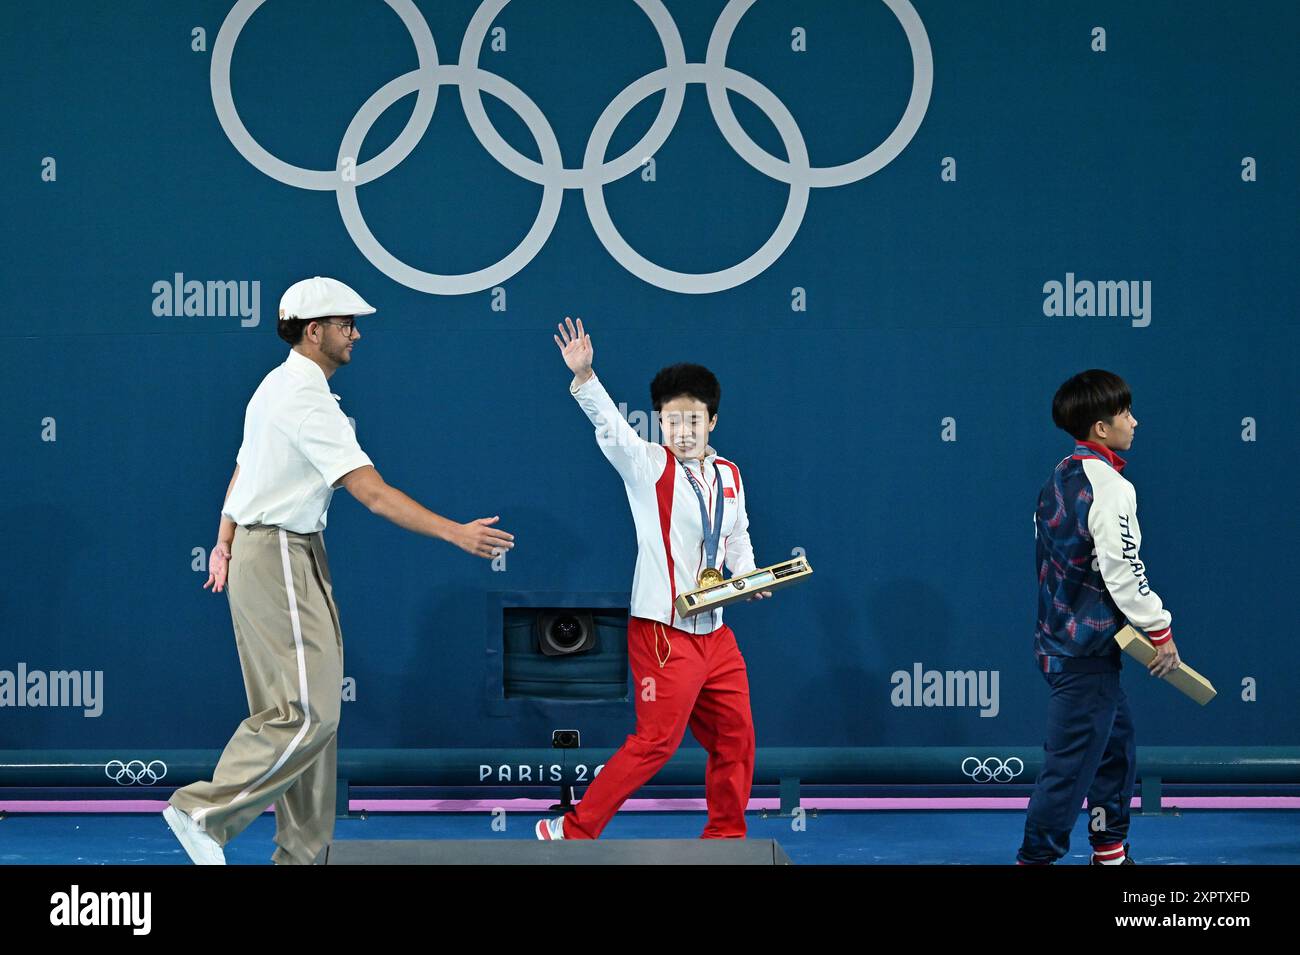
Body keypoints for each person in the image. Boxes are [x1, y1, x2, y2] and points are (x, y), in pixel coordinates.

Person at [164, 276, 515, 865]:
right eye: (346, 323)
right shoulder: (303, 399)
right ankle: (202, 810)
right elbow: (372, 494)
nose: (357, 333)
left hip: (282, 551)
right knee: (307, 715)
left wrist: (223, 540)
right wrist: (455, 531)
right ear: (314, 331)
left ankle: (301, 858)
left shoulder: (276, 387)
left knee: (310, 724)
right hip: (278, 554)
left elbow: (243, 471)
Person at [537, 317, 771, 841]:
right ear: (659, 423)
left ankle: (726, 841)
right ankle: (572, 830)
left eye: (692, 420)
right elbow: (612, 431)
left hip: (717, 634)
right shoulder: (648, 467)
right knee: (656, 743)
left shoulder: (729, 474)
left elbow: (737, 536)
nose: (682, 432)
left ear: (712, 420)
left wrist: (749, 577)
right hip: (663, 634)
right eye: (670, 421)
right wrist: (586, 377)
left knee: (736, 738)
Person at [1017, 369, 1181, 866]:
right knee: (1070, 769)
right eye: (1125, 413)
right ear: (1101, 428)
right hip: (1083, 652)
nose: (1135, 421)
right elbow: (1124, 572)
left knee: (1113, 749)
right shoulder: (1110, 487)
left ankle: (1109, 851)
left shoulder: (1059, 476)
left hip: (1065, 644)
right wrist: (1160, 632)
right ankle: (1035, 859)